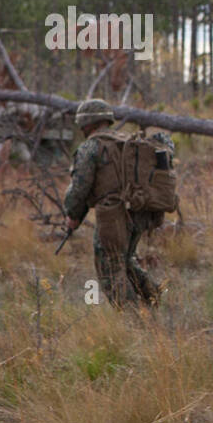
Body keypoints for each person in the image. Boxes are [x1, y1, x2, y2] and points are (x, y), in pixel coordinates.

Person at [62, 98, 161, 306]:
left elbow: (79, 190)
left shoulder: (91, 147)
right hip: (139, 210)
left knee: (109, 269)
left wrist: (72, 214)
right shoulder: (125, 141)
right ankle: (153, 297)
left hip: (113, 215)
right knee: (125, 261)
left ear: (87, 123)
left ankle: (132, 319)